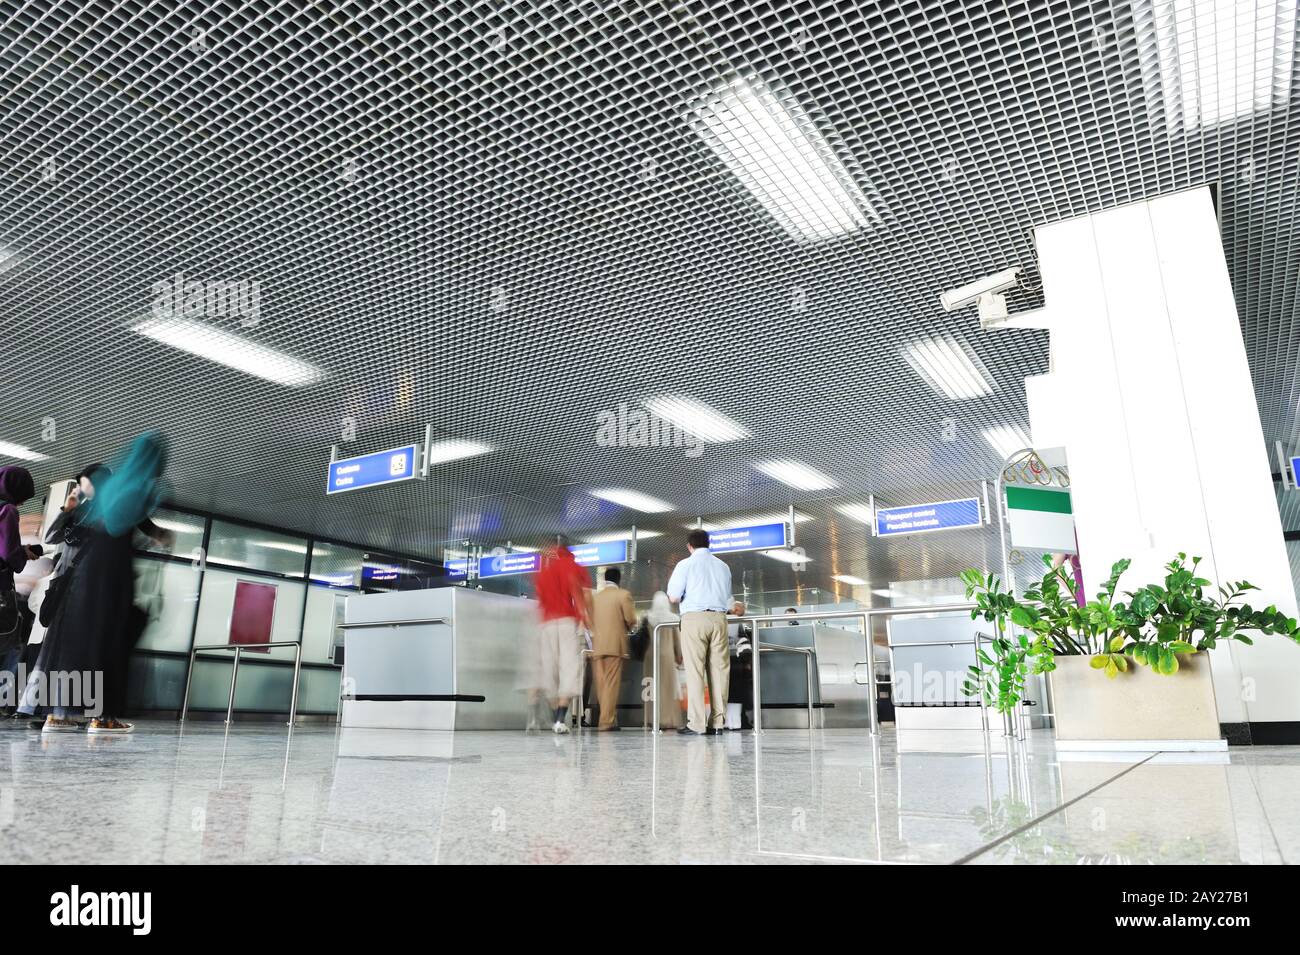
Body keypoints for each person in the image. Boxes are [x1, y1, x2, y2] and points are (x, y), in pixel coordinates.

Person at [39, 435, 169, 734]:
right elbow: (126, 524)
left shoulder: (107, 492)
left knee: (75, 642)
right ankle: (104, 717)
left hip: (82, 580)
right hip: (112, 576)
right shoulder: (138, 488)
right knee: (109, 640)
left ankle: (57, 714)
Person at [666, 529, 743, 736]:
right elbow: (728, 600)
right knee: (719, 672)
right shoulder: (723, 566)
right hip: (719, 620)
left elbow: (673, 597)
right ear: (709, 544)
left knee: (695, 672)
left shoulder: (685, 565)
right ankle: (717, 723)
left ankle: (696, 723)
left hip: (694, 619)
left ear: (689, 546)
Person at [533, 535, 591, 735]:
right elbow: (577, 591)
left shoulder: (545, 572)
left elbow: (539, 599)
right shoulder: (574, 566)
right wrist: (585, 617)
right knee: (568, 668)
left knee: (550, 670)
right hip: (566, 621)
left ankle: (554, 718)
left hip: (546, 624)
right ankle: (559, 719)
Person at [0, 467, 37, 714]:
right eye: (24, 495)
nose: (23, 501)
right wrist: (23, 554)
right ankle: (4, 703)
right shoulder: (8, 510)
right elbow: (8, 553)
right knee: (12, 645)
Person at [589, 566, 637, 731]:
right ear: (619, 579)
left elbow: (589, 620)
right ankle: (606, 722)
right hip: (615, 646)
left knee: (602, 685)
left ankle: (608, 718)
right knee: (611, 684)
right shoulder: (623, 595)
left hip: (597, 646)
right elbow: (631, 618)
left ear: (604, 579)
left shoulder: (595, 597)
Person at [643, 591, 682, 729]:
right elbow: (678, 641)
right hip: (667, 656)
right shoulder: (673, 618)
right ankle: (666, 719)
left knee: (651, 690)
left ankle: (650, 718)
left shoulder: (647, 617)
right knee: (666, 689)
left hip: (649, 656)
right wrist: (679, 655)